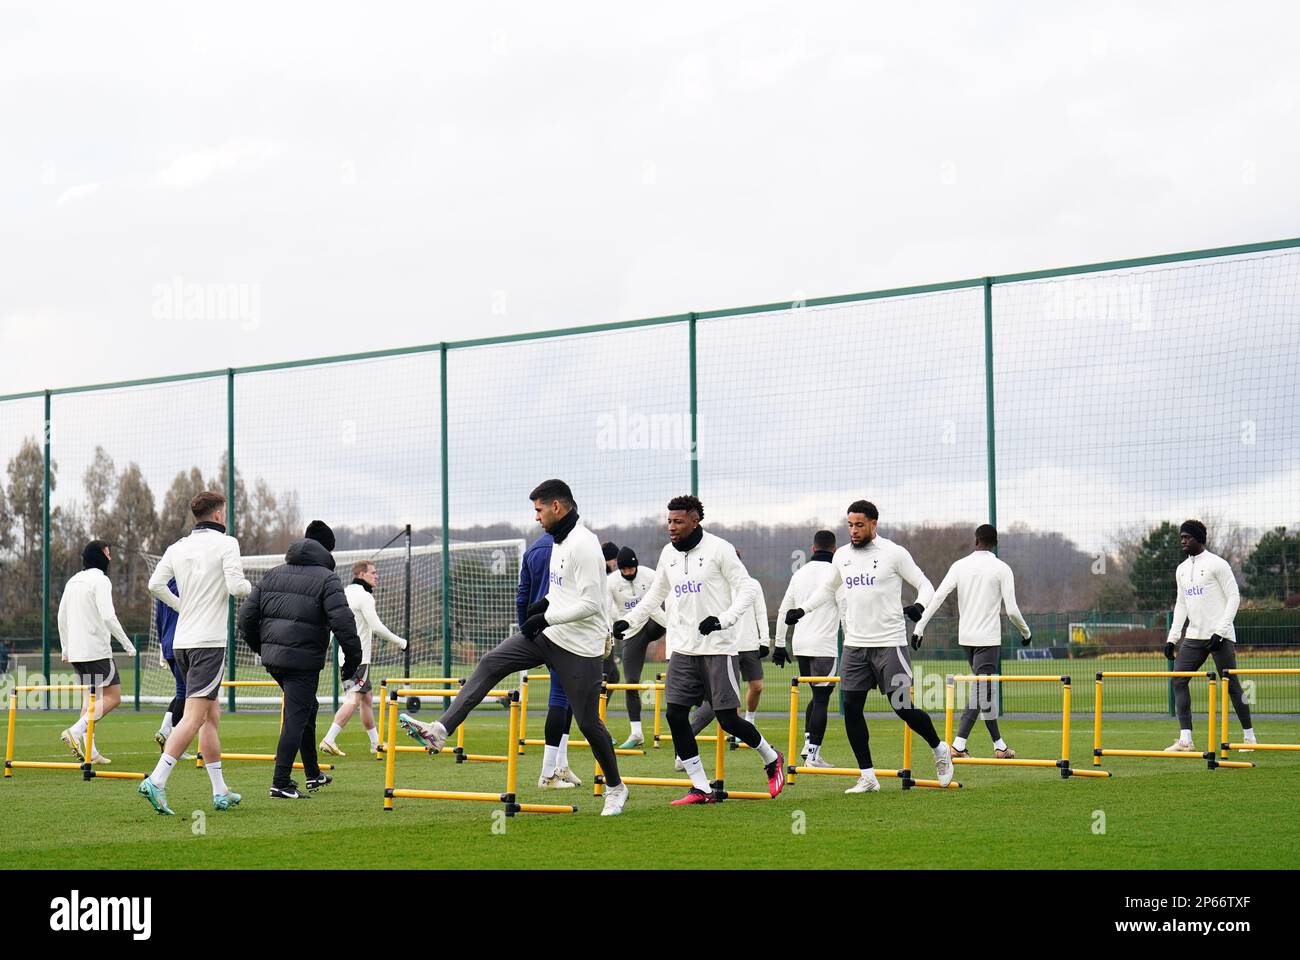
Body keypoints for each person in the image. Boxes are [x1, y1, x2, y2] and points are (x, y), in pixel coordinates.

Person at [400, 480, 629, 816]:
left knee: (588, 722)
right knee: (491, 662)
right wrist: (542, 609)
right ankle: (440, 730)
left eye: (538, 510)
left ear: (556, 507)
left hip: (580, 646)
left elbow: (593, 605)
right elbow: (561, 592)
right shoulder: (557, 542)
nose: (535, 517)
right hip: (549, 635)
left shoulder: (584, 544)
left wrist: (546, 617)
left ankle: (615, 788)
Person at [613, 495, 786, 806]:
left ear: (695, 520)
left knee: (727, 719)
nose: (671, 527)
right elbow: (655, 595)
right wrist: (629, 620)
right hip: (682, 649)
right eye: (668, 522)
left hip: (719, 649)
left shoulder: (720, 549)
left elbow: (748, 588)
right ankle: (701, 787)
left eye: (678, 521)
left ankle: (771, 758)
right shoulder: (668, 554)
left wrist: (724, 620)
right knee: (675, 714)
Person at [786, 500, 953, 793]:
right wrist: (803, 610)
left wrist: (919, 606)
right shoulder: (841, 557)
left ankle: (940, 749)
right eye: (849, 525)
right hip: (854, 645)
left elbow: (926, 584)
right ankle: (868, 776)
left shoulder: (894, 553)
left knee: (902, 706)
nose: (853, 530)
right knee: (850, 708)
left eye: (859, 524)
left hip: (890, 643)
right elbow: (827, 589)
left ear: (874, 524)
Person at [141, 492, 252, 815]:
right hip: (208, 644)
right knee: (193, 718)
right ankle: (157, 780)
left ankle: (220, 791)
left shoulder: (178, 547)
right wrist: (250, 587)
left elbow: (154, 585)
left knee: (210, 716)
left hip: (183, 643)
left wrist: (182, 606)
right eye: (225, 512)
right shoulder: (227, 544)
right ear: (218, 515)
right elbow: (235, 587)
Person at [237, 520, 362, 799]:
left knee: (307, 708)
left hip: (274, 659)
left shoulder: (272, 574)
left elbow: (245, 618)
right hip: (303, 661)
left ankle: (313, 774)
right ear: (327, 550)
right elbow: (343, 623)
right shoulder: (328, 579)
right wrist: (353, 661)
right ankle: (280, 782)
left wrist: (263, 648)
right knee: (296, 715)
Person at [913, 524, 1031, 759]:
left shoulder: (960, 565)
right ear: (995, 543)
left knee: (984, 692)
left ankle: (999, 745)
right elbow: (1013, 611)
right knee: (981, 692)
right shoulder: (1001, 568)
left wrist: (919, 626)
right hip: (988, 640)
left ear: (976, 541)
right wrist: (1026, 633)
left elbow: (937, 597)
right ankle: (958, 745)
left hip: (966, 639)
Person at [1164, 519, 1256, 752]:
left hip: (1220, 636)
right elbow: (1181, 605)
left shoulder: (1218, 564)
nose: (1183, 541)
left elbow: (1234, 597)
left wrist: (1221, 630)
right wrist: (1172, 638)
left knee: (1231, 684)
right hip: (1194, 636)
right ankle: (1185, 740)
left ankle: (1249, 737)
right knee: (1178, 679)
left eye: (1187, 537)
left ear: (1199, 539)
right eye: (1181, 537)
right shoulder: (1181, 570)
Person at [56, 540, 137, 764]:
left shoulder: (73, 581)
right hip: (96, 651)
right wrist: (127, 644)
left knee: (91, 701)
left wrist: (65, 647)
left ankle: (90, 752)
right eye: (107, 553)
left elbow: (61, 617)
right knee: (113, 697)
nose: (110, 558)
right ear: (99, 556)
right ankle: (75, 731)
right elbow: (108, 616)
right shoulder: (101, 580)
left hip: (77, 653)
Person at [320, 560, 407, 757]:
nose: (377, 576)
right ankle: (329, 738)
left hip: (346, 657)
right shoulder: (365, 596)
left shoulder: (343, 592)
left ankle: (376, 743)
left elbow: (333, 624)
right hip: (359, 659)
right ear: (361, 575)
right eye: (373, 573)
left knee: (367, 699)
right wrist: (401, 642)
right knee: (353, 699)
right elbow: (376, 627)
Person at [774, 529, 845, 767]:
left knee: (816, 696)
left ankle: (808, 745)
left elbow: (785, 609)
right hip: (824, 646)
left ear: (813, 549)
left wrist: (779, 645)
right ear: (834, 550)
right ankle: (813, 755)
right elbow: (845, 609)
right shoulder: (837, 573)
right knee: (822, 698)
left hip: (800, 645)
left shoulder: (800, 573)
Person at [517, 529, 581, 789]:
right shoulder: (574, 546)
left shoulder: (532, 550)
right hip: (566, 630)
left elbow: (522, 594)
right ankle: (548, 773)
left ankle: (560, 765)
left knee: (566, 699)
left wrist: (526, 633)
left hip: (540, 631)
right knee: (562, 698)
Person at [685, 568, 768, 740]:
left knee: (757, 686)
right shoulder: (714, 586)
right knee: (725, 695)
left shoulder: (752, 584)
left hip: (749, 645)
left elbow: (761, 612)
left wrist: (765, 640)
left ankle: (749, 722)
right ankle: (693, 733)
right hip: (725, 647)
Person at [606, 546, 667, 749]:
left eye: (632, 569)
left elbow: (667, 595)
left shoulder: (650, 575)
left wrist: (671, 623)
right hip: (631, 631)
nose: (629, 573)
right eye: (625, 570)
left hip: (654, 622)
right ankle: (636, 733)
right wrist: (615, 624)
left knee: (667, 622)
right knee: (631, 682)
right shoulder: (611, 582)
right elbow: (607, 608)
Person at [152, 576, 195, 760]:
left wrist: (162, 645)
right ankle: (176, 743)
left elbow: (158, 620)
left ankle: (164, 730)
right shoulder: (189, 583)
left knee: (182, 691)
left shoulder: (164, 587)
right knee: (187, 694)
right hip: (184, 642)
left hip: (168, 643)